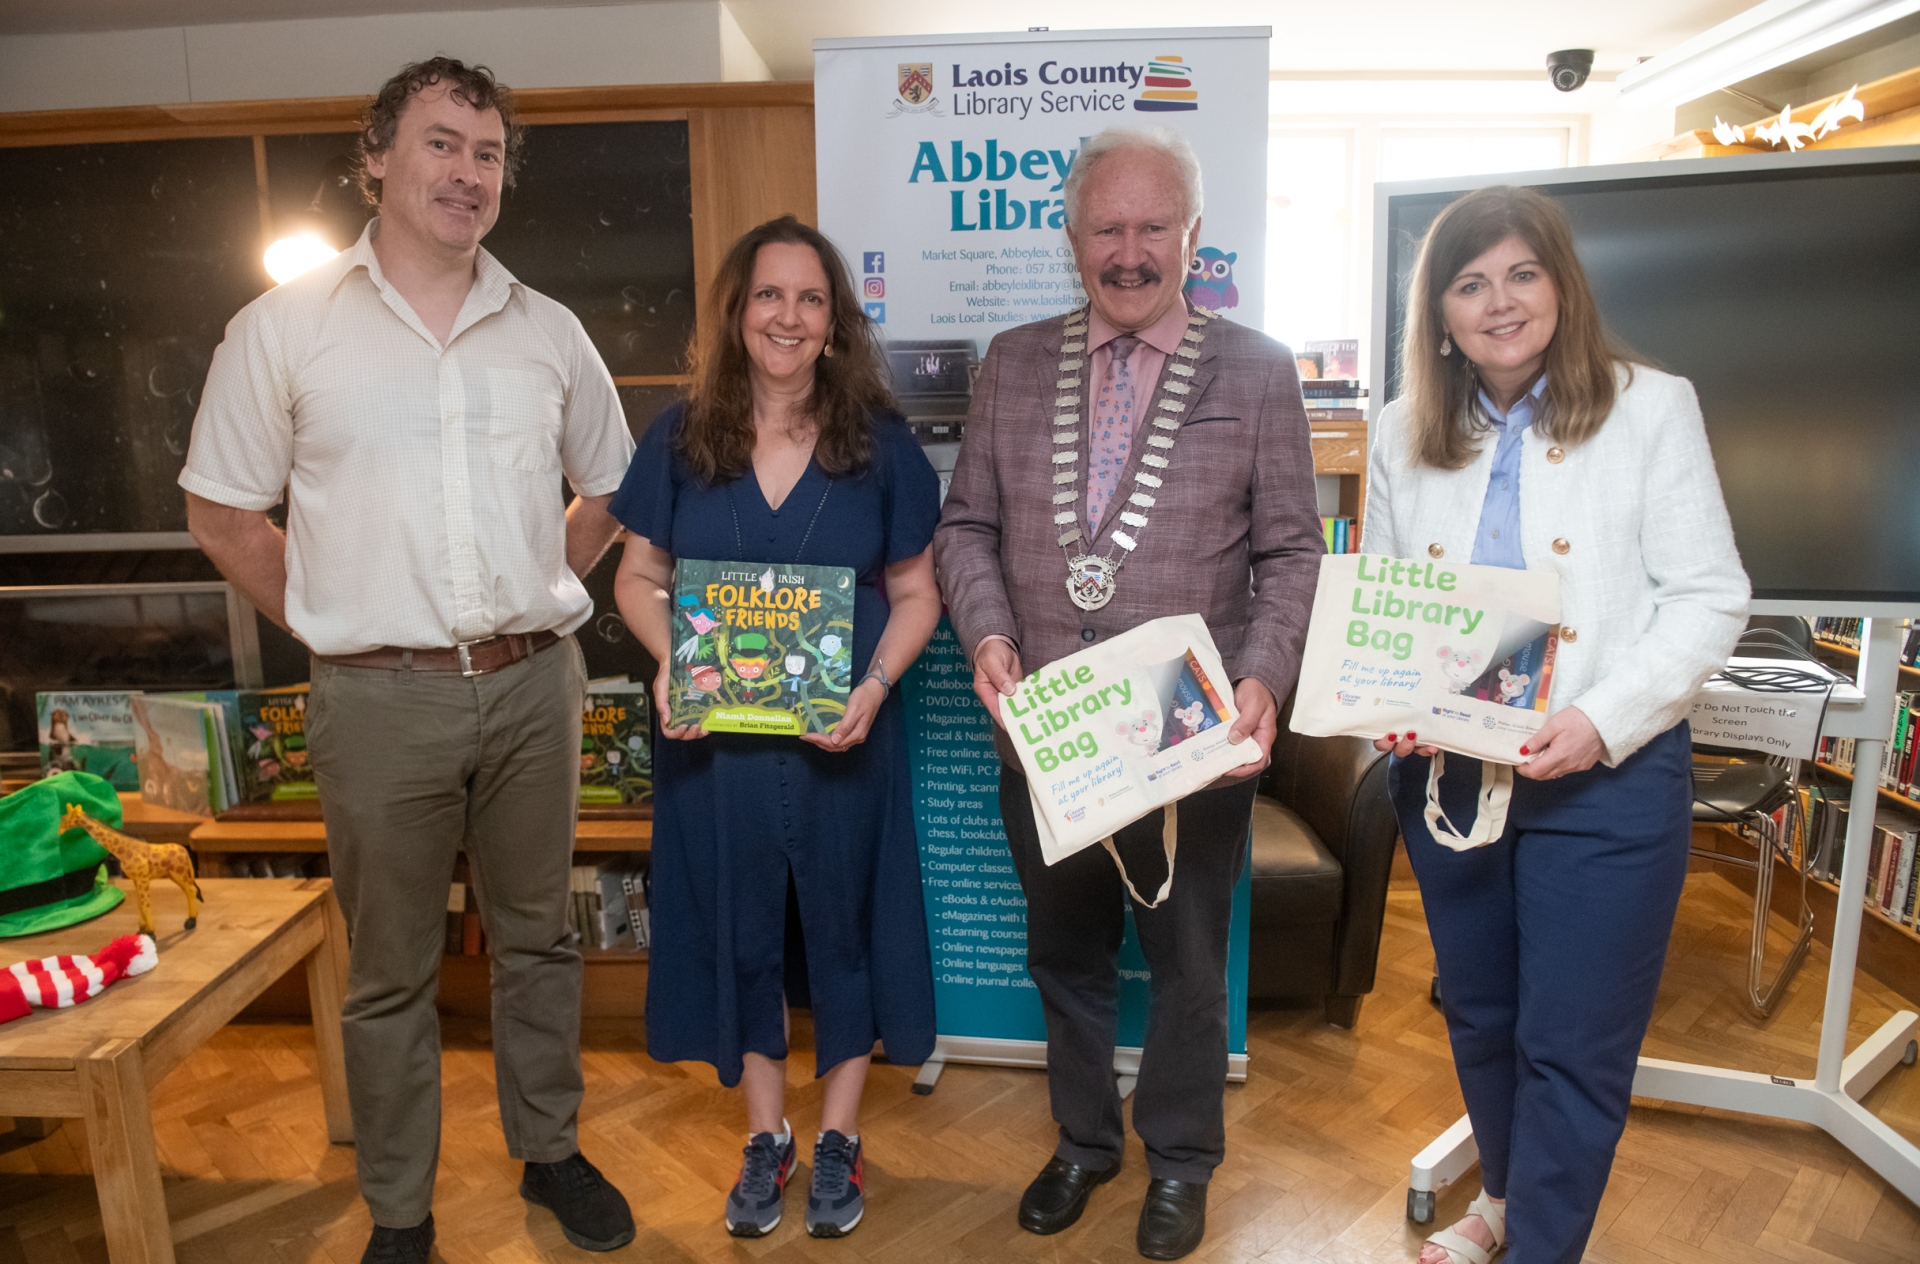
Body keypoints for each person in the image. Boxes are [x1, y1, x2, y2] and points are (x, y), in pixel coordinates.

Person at [181, 58, 637, 1264]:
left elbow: (614, 485)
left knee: (538, 940)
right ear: (376, 157)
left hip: (538, 685)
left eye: (486, 155)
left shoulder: (549, 331)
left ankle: (549, 1151)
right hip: (375, 700)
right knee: (388, 973)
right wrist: (340, 618)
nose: (466, 174)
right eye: (441, 145)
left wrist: (555, 583)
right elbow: (223, 514)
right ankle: (400, 1213)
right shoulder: (283, 329)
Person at [933, 127, 1323, 1261]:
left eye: (1156, 226)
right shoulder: (1010, 362)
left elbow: (1293, 553)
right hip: (1047, 735)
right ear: (1072, 236)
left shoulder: (1256, 370)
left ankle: (1183, 1159)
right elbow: (965, 528)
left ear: (1194, 237)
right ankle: (1083, 1143)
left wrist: (1262, 677)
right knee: (1064, 951)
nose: (1131, 250)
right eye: (1107, 226)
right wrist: (991, 633)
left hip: (1190, 737)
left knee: (1193, 962)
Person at [1365, 185, 1749, 1264]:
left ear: (1562, 286)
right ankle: (1504, 1202)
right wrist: (1393, 703)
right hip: (1452, 780)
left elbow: (1711, 595)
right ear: (1439, 312)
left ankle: (1541, 1244)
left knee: (1571, 1046)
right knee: (1482, 1017)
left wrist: (1598, 716)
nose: (1499, 302)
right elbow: (1397, 604)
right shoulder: (1401, 432)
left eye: (1522, 275)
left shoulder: (1651, 408)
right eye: (1471, 282)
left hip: (1606, 780)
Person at [610, 215, 942, 1241]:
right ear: (737, 310)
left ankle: (838, 1135)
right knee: (738, 928)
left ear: (835, 321)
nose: (787, 317)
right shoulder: (678, 437)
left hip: (843, 742)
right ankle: (769, 1135)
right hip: (715, 752)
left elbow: (919, 591)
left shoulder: (880, 445)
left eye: (809, 299)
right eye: (769, 296)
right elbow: (638, 576)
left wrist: (877, 686)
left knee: (844, 928)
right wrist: (672, 659)